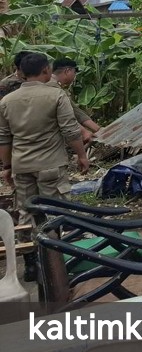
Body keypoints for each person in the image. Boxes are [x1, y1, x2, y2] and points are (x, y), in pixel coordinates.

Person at [0, 53, 90, 281]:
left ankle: (31, 264)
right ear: (45, 72)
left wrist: (7, 166)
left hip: (22, 165)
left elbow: (4, 138)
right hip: (50, 164)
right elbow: (70, 130)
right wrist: (81, 155)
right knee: (55, 212)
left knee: (26, 212)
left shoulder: (7, 101)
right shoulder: (55, 95)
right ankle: (55, 264)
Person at [51, 58, 101, 141]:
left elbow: (75, 110)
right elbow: (64, 117)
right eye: (74, 72)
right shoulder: (51, 89)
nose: (75, 77)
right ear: (67, 71)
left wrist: (98, 129)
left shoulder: (57, 88)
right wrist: (84, 132)